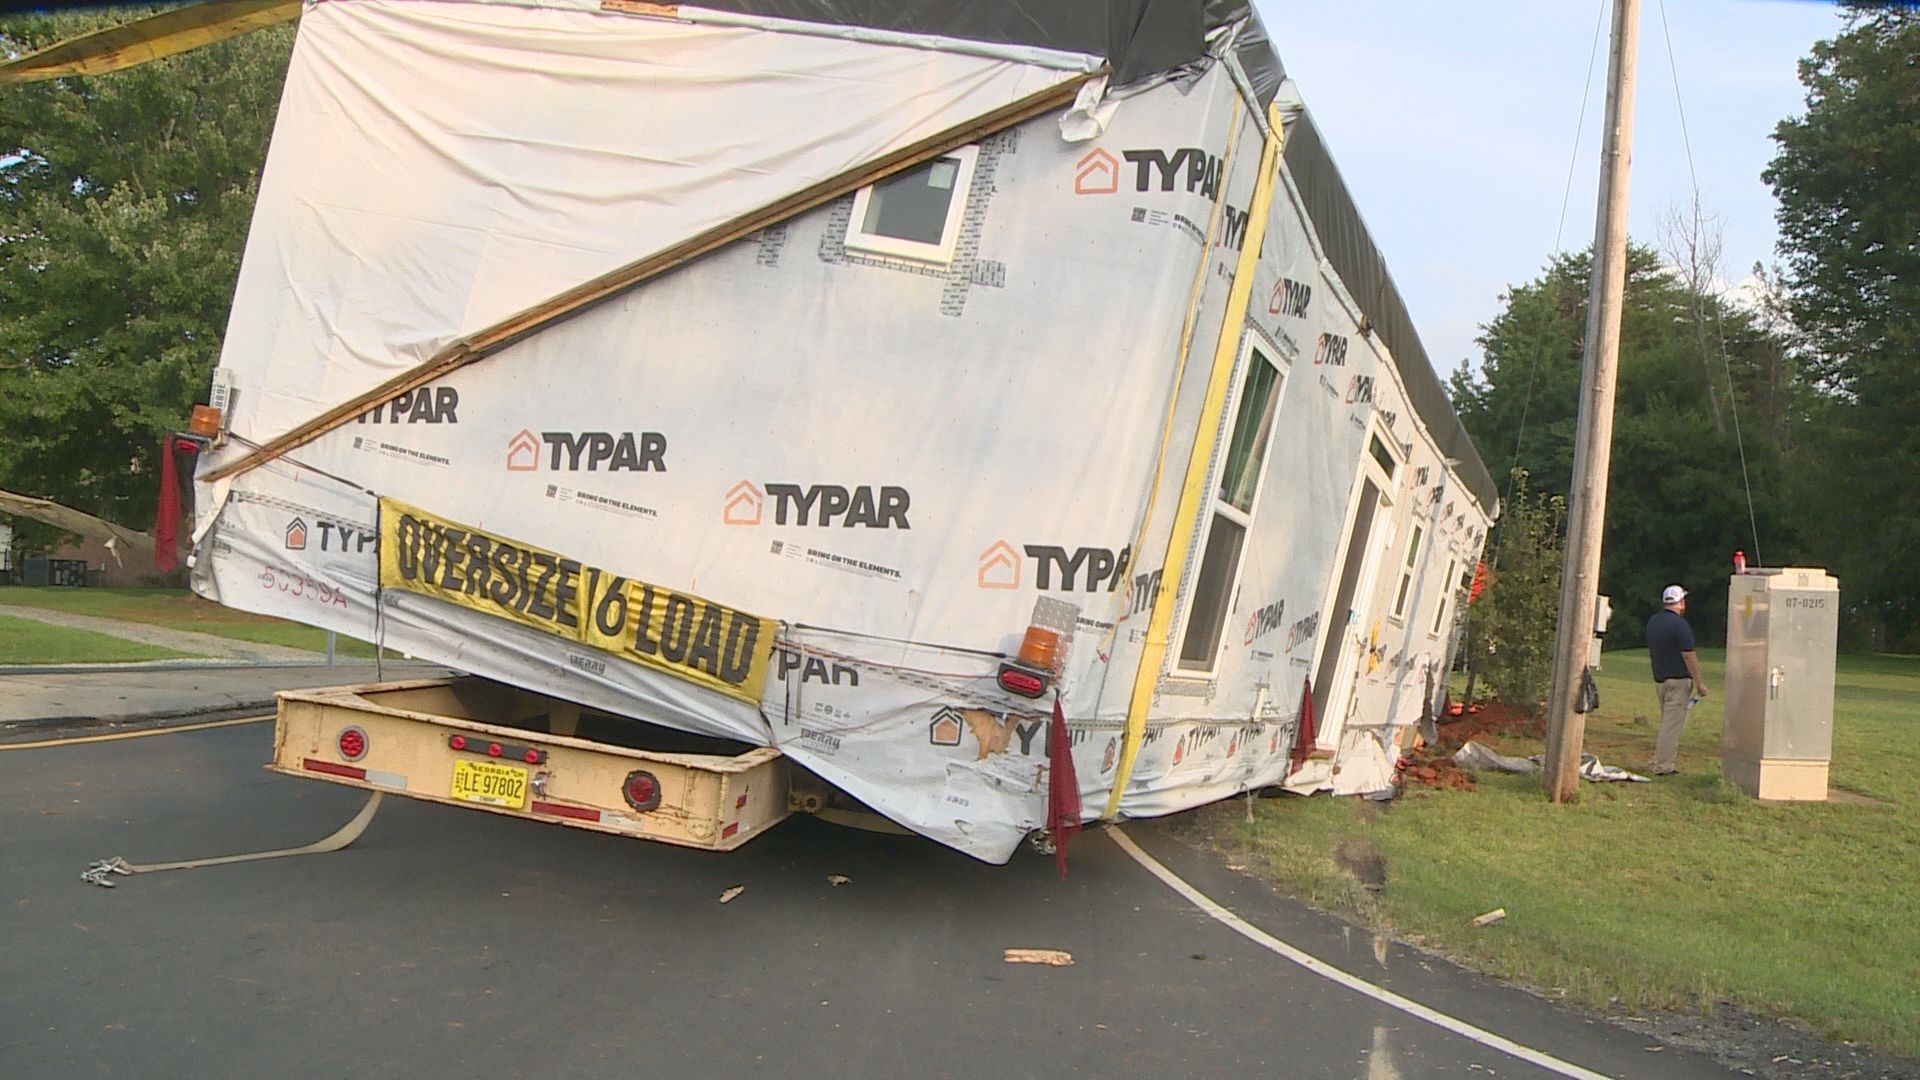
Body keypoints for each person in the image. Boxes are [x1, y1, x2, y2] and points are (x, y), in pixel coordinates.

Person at [1646, 584, 1708, 775]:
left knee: (1667, 723)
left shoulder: (1654, 621)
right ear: (1680, 602)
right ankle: (1663, 766)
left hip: (1660, 680)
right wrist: (1700, 683)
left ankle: (1658, 760)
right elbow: (1688, 655)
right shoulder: (1680, 625)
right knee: (1671, 728)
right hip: (1678, 682)